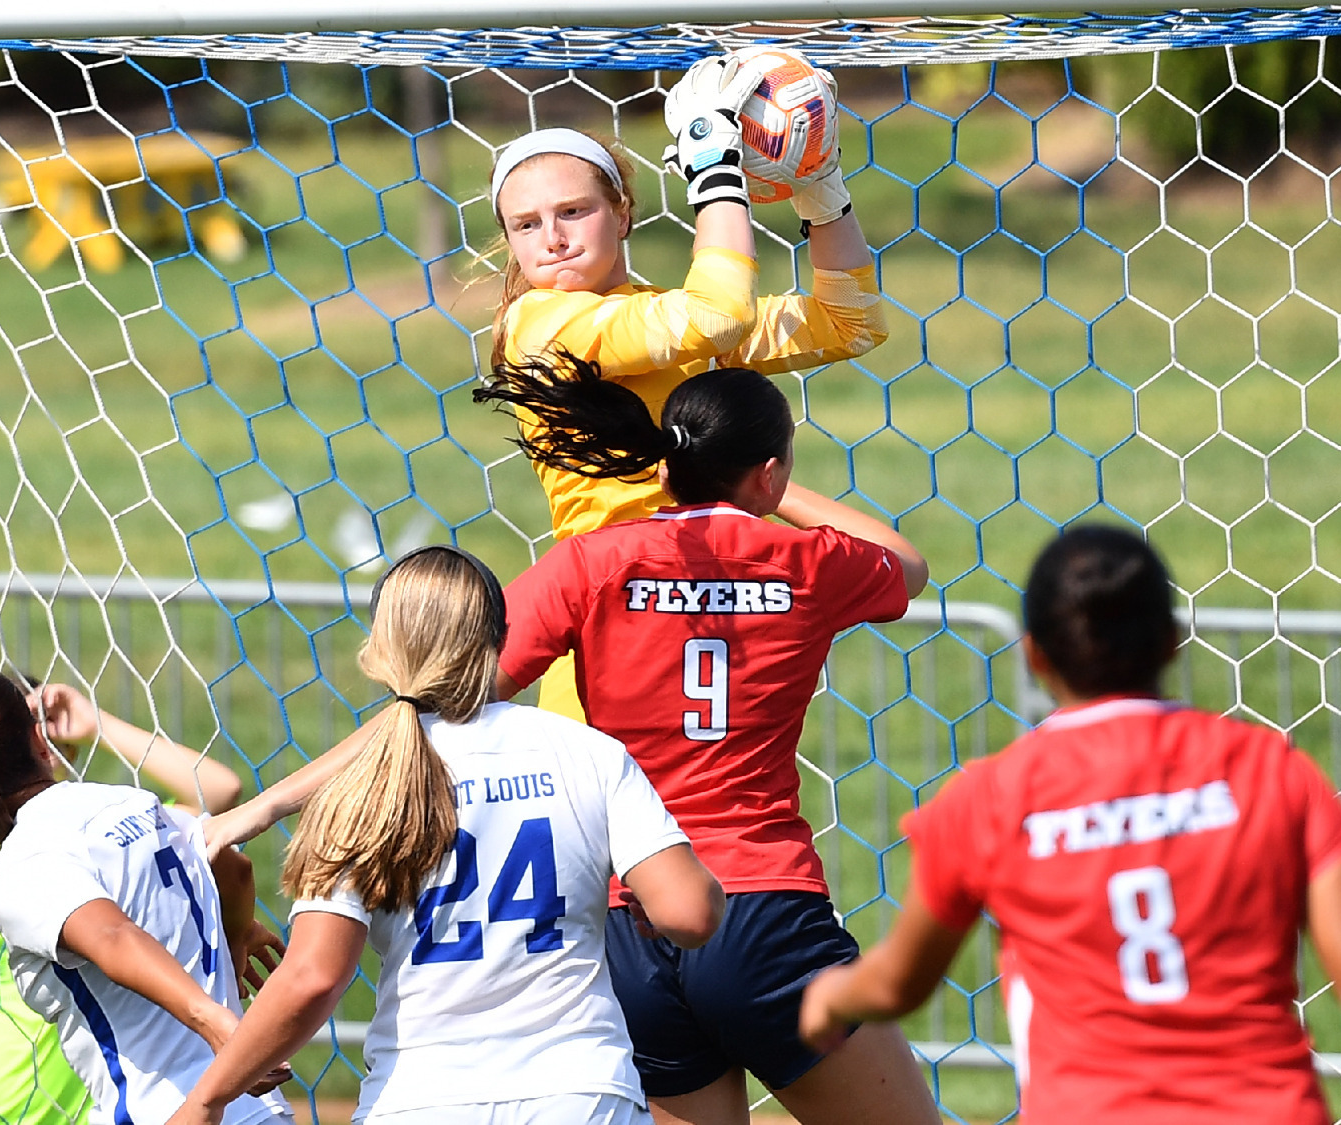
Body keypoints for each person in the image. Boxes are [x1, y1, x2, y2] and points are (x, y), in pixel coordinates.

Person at [797, 525, 1341, 1125]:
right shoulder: (1268, 770)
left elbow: (899, 985)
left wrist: (831, 998)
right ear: (1172, 641)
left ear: (1033, 653)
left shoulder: (988, 801)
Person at [473, 358, 939, 1125]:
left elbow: (466, 681)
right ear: (769, 471)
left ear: (668, 464)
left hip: (633, 919)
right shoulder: (810, 564)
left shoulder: (593, 562)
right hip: (761, 907)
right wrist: (776, 495)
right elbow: (909, 565)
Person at [166, 545, 725, 1125]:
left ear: (378, 651)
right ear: (502, 638)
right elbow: (689, 915)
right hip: (580, 1093)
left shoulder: (357, 785)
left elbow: (313, 978)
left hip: (420, 1099)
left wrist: (209, 1098)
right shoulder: (588, 753)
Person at [487, 51, 888, 721]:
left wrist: (820, 187)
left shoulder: (664, 318)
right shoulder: (540, 326)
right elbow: (717, 314)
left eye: (573, 211)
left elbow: (851, 324)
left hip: (710, 615)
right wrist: (715, 165)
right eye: (526, 225)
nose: (552, 239)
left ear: (622, 213)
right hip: (608, 623)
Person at [0, 666, 288, 1125]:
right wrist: (234, 931)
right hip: (226, 1105)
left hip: (129, 1109)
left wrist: (216, 1022)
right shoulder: (125, 816)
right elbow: (230, 854)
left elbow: (114, 934)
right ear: (38, 743)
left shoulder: (21, 867)